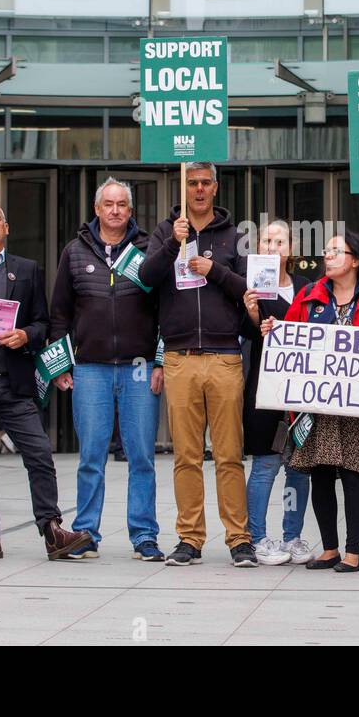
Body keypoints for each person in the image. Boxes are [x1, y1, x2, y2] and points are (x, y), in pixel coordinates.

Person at [0, 200, 93, 561]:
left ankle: (52, 529)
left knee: (39, 452)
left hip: (13, 380)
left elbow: (43, 321)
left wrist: (26, 335)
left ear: (6, 229)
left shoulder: (27, 269)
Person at [139, 162, 257, 567]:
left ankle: (239, 539)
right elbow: (145, 276)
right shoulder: (164, 231)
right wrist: (174, 243)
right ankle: (189, 539)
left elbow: (251, 290)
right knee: (186, 455)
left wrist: (216, 270)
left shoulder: (236, 236)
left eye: (206, 183)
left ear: (216, 188)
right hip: (179, 357)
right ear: (184, 187)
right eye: (193, 183)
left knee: (228, 454)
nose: (200, 189)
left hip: (225, 357)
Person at [262, 231, 359, 573]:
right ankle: (330, 548)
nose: (328, 257)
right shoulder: (309, 294)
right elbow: (290, 337)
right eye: (326, 251)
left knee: (353, 475)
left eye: (336, 251)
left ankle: (353, 551)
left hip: (356, 405)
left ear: (355, 259)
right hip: (317, 405)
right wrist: (273, 331)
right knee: (319, 474)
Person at [49, 177, 165, 562]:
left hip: (138, 367)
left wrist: (160, 362)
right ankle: (85, 533)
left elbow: (167, 310)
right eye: (108, 204)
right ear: (97, 209)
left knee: (142, 456)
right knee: (91, 456)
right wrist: (60, 365)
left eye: (122, 205)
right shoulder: (75, 252)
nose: (115, 210)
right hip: (90, 369)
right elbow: (60, 313)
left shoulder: (149, 250)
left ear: (130, 211)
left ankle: (144, 535)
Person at [241, 219, 312, 566]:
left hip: (301, 393)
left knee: (298, 468)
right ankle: (256, 537)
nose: (273, 247)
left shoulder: (308, 287)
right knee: (265, 465)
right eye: (267, 241)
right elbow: (244, 333)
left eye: (279, 241)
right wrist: (254, 315)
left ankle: (293, 536)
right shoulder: (254, 289)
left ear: (291, 249)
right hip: (265, 391)